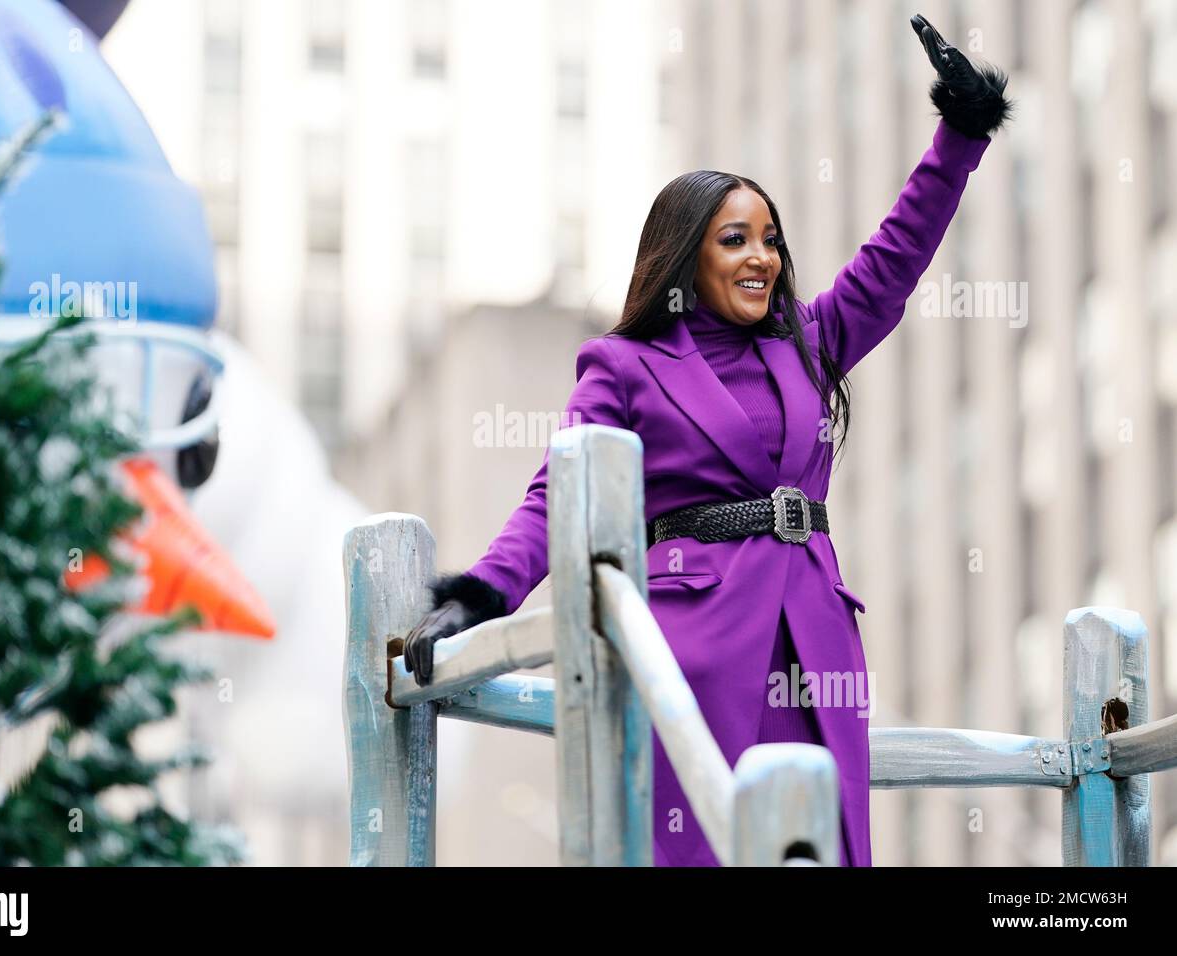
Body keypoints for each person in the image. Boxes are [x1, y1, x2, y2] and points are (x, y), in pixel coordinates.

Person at [402, 13, 1013, 867]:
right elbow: (560, 495)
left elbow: (895, 258)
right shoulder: (623, 366)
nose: (761, 256)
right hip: (696, 644)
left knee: (819, 844)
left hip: (815, 640)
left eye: (770, 239)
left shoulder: (810, 339)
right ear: (686, 258)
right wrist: (483, 592)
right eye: (735, 240)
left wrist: (960, 134)